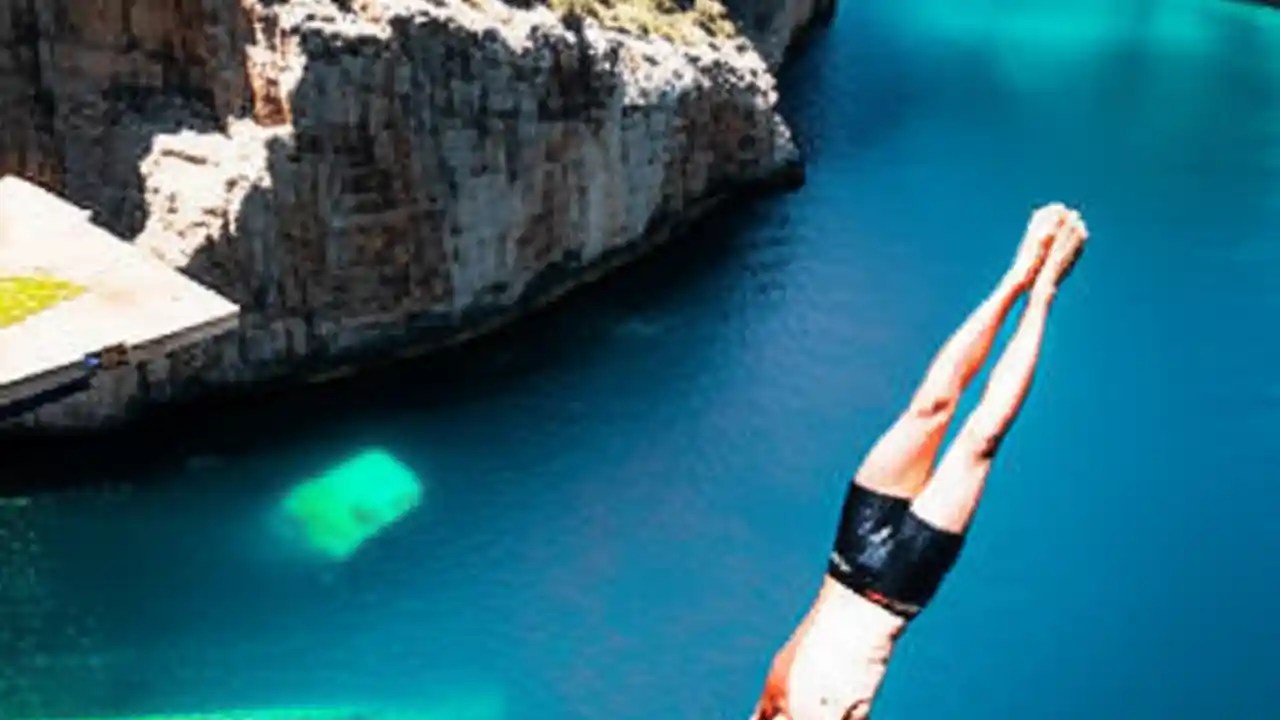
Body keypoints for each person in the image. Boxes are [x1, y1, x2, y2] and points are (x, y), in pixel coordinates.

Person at [750, 204, 1089, 720]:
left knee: (929, 407)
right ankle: (1045, 292)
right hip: (897, 586)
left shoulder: (764, 711)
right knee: (980, 439)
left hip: (847, 557)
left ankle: (1019, 276)